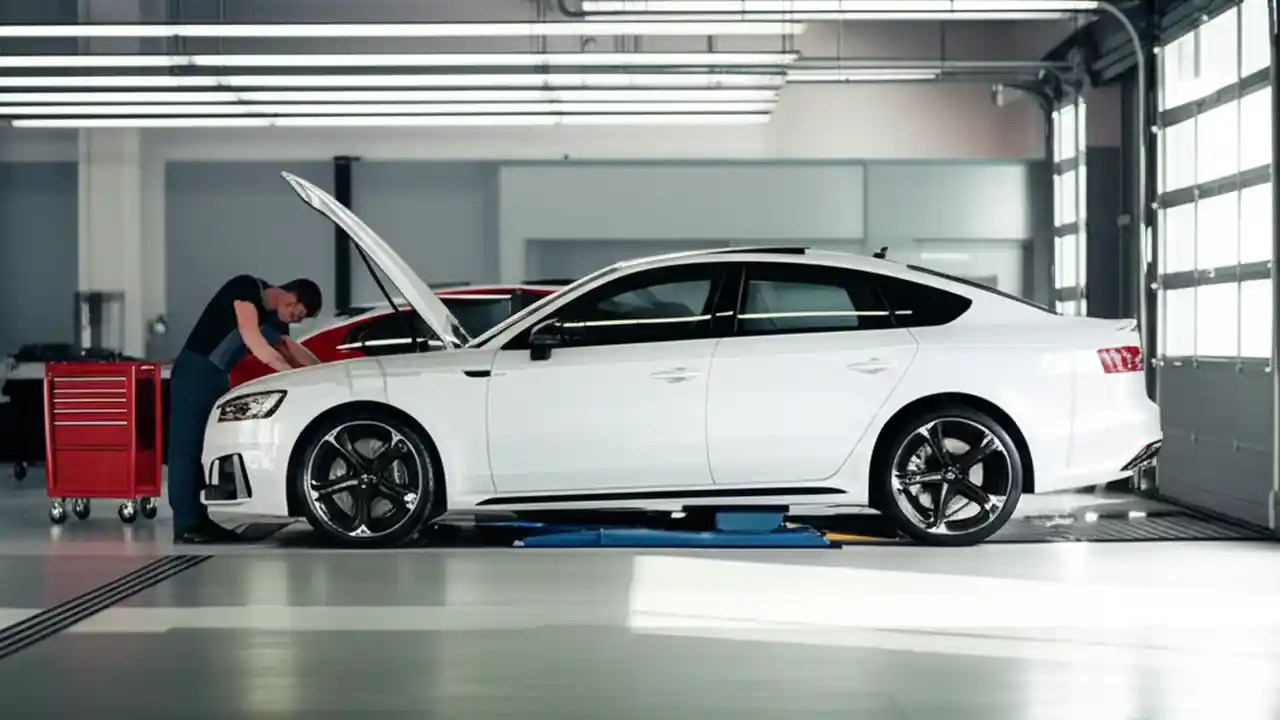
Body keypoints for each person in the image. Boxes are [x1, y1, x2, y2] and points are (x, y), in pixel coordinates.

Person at [168, 275, 323, 544]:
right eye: (295, 314)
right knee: (186, 449)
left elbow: (289, 348)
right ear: (290, 297)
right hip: (195, 370)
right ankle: (186, 524)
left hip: (217, 377)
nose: (294, 321)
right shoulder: (247, 288)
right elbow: (253, 338)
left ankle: (200, 519)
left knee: (204, 450)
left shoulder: (276, 317)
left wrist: (323, 373)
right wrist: (287, 372)